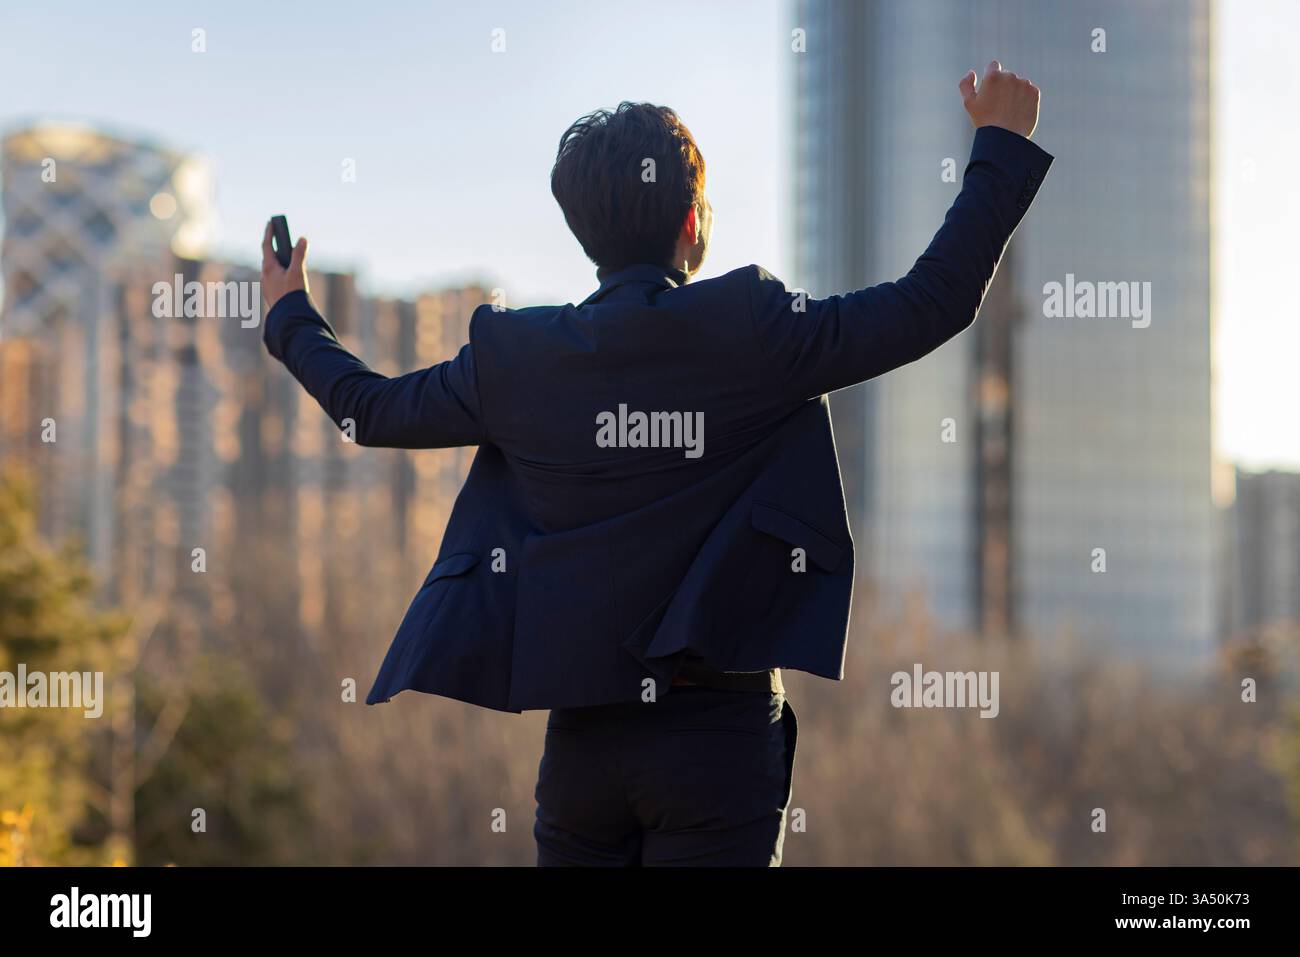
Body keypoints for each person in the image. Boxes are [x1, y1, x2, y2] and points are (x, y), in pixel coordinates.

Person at [259, 60, 1052, 866]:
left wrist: (291, 314)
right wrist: (997, 146)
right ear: (690, 223)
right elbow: (932, 301)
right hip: (717, 742)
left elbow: (373, 408)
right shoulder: (754, 330)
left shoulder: (517, 358)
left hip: (582, 755)